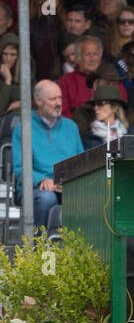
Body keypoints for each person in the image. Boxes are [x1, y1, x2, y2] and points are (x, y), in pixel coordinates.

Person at [14, 80, 86, 229]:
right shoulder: (23, 128)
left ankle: (78, 249)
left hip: (68, 185)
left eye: (60, 98)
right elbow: (19, 167)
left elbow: (82, 161)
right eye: (53, 99)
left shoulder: (71, 126)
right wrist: (41, 180)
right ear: (38, 101)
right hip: (37, 188)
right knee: (47, 198)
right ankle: (38, 248)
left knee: (91, 197)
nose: (58, 103)